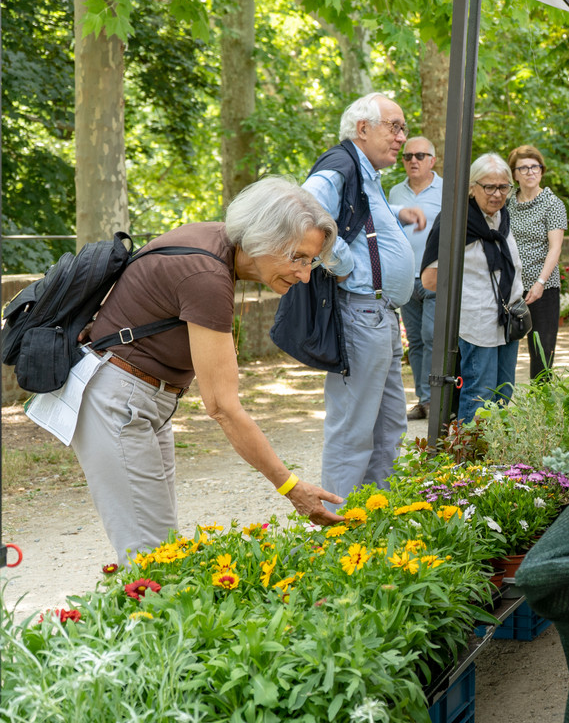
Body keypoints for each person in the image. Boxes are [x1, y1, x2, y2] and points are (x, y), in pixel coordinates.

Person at [72, 177, 344, 565]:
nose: (304, 275)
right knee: (150, 560)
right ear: (263, 238)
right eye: (298, 258)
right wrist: (291, 486)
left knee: (162, 551)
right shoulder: (206, 275)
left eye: (311, 261)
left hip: (143, 398)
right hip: (120, 402)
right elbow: (222, 407)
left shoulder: (215, 242)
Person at [302, 92, 426, 510]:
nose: (401, 138)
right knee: (354, 428)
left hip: (380, 316)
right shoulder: (340, 167)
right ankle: (337, 529)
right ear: (362, 129)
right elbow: (305, 215)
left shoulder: (365, 174)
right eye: (394, 126)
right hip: (360, 313)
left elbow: (357, 224)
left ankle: (375, 519)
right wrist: (343, 264)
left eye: (403, 128)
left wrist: (398, 215)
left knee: (390, 426)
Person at [420, 154, 524, 424]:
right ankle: (470, 463)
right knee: (480, 395)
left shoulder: (502, 218)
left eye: (503, 187)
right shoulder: (456, 221)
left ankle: (496, 458)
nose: (497, 194)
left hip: (508, 322)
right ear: (472, 187)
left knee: (504, 392)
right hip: (476, 324)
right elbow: (430, 279)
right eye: (489, 187)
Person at [388, 136, 443, 421]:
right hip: (405, 279)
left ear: (432, 160)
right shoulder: (395, 193)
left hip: (435, 276)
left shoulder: (447, 190)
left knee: (432, 335)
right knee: (416, 343)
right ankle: (423, 400)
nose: (413, 161)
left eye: (420, 156)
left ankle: (436, 398)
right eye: (408, 156)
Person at [506, 145, 568, 381]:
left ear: (542, 171)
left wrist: (540, 282)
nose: (530, 172)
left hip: (543, 288)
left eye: (535, 167)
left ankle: (541, 403)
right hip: (509, 286)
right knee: (503, 346)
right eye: (524, 167)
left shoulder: (553, 204)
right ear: (515, 173)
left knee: (541, 351)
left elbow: (555, 248)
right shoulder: (507, 201)